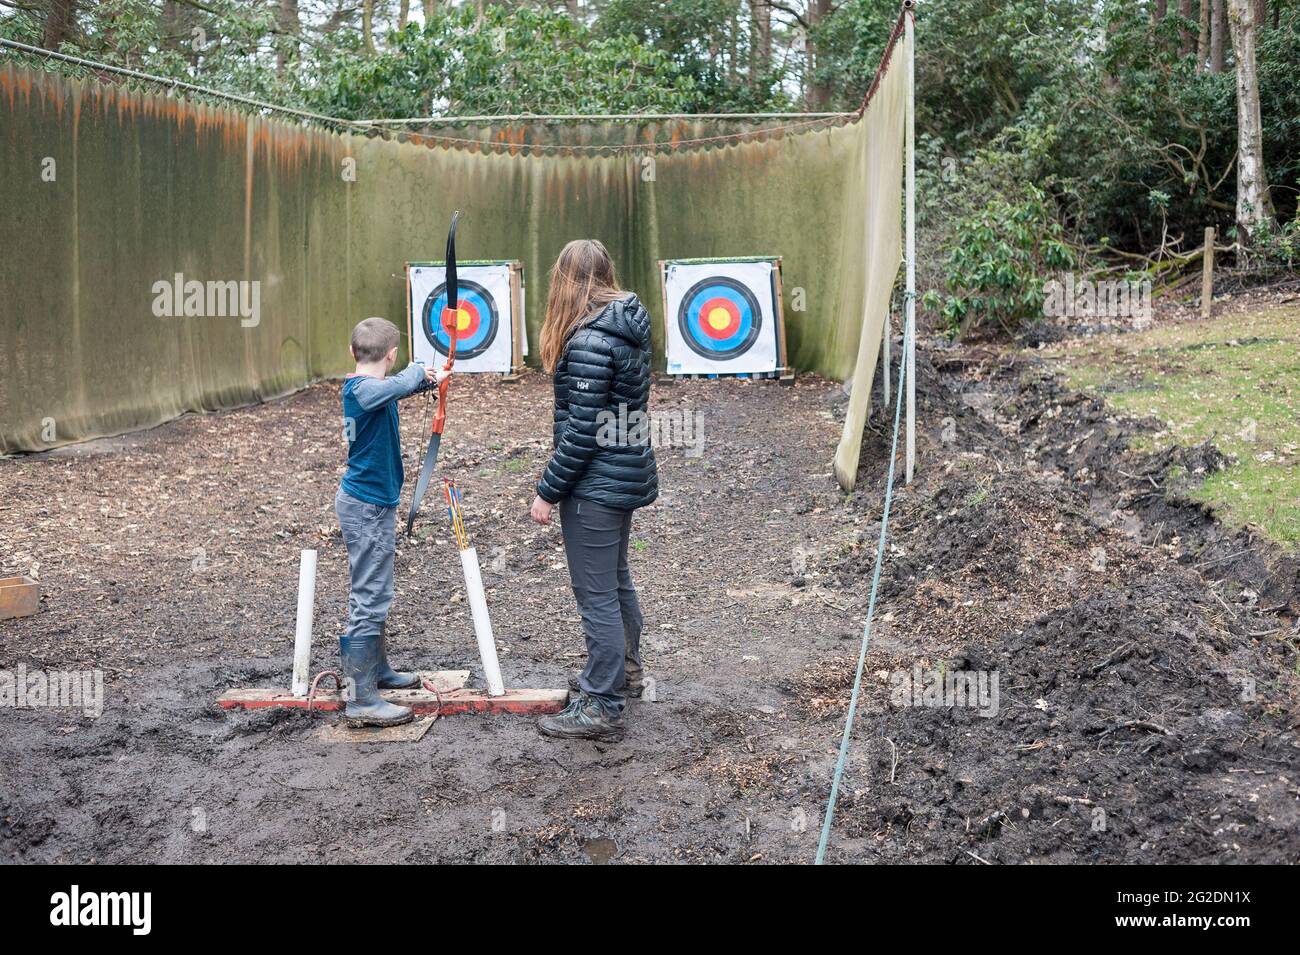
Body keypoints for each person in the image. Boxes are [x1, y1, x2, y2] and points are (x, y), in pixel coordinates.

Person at [531, 240, 658, 743]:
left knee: (597, 593)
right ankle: (621, 676)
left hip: (597, 484)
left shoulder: (588, 339)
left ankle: (602, 703)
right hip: (621, 474)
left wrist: (547, 491)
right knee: (617, 581)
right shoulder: (623, 324)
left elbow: (582, 433)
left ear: (566, 280)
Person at [336, 317, 449, 727]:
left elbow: (393, 389)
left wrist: (429, 380)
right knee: (370, 595)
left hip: (371, 505)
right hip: (365, 508)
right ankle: (361, 698)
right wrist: (417, 372)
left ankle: (377, 672)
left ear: (352, 351)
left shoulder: (377, 390)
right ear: (392, 355)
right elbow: (384, 389)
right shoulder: (360, 389)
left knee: (375, 590)